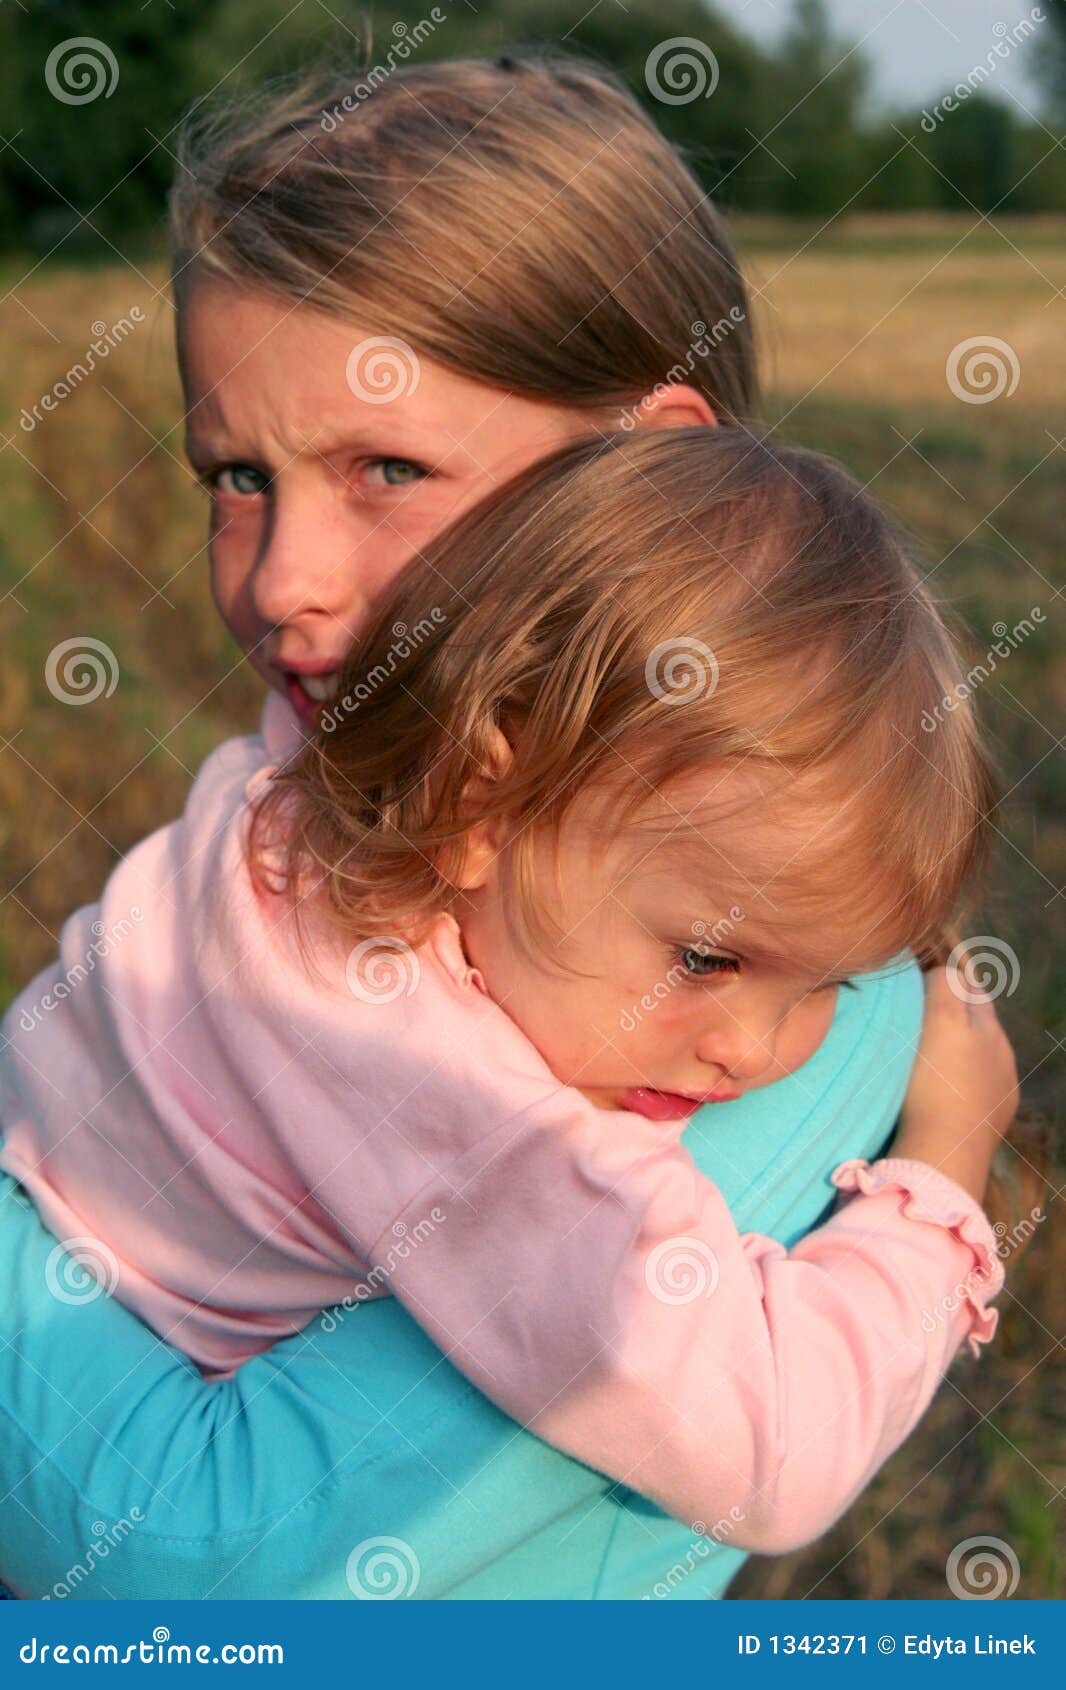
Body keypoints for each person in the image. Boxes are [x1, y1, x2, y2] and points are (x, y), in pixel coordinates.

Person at [0, 55, 1017, 1601]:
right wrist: (944, 1170)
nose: (281, 582)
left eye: (387, 469)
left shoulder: (449, 842)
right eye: (237, 478)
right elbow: (771, 1445)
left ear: (646, 458)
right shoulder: (421, 1022)